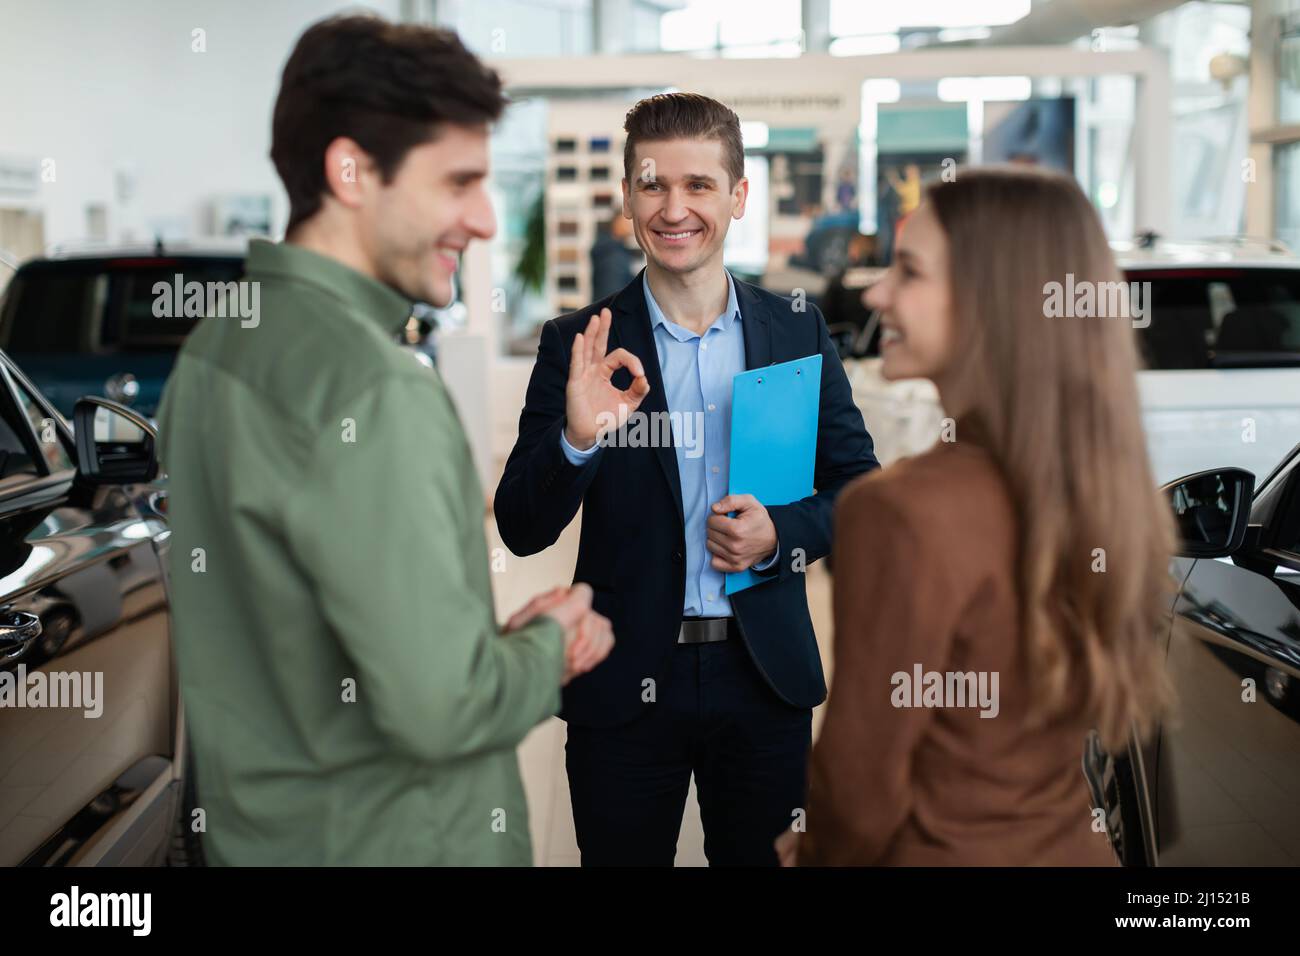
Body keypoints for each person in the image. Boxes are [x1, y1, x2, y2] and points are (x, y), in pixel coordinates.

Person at [156, 14, 612, 866]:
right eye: (458, 182)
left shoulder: (213, 352)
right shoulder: (373, 387)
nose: (483, 219)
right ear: (351, 171)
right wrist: (549, 646)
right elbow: (440, 708)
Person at [495, 92, 878, 866]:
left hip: (762, 677)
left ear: (738, 196)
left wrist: (780, 536)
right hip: (624, 684)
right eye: (652, 184)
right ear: (627, 197)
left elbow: (859, 491)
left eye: (699, 185)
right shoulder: (579, 342)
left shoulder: (795, 331)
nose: (674, 208)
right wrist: (576, 436)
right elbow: (519, 525)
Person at [779, 166, 1174, 866]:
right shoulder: (1102, 490)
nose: (877, 292)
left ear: (991, 300)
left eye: (909, 271)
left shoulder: (900, 512)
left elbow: (858, 792)